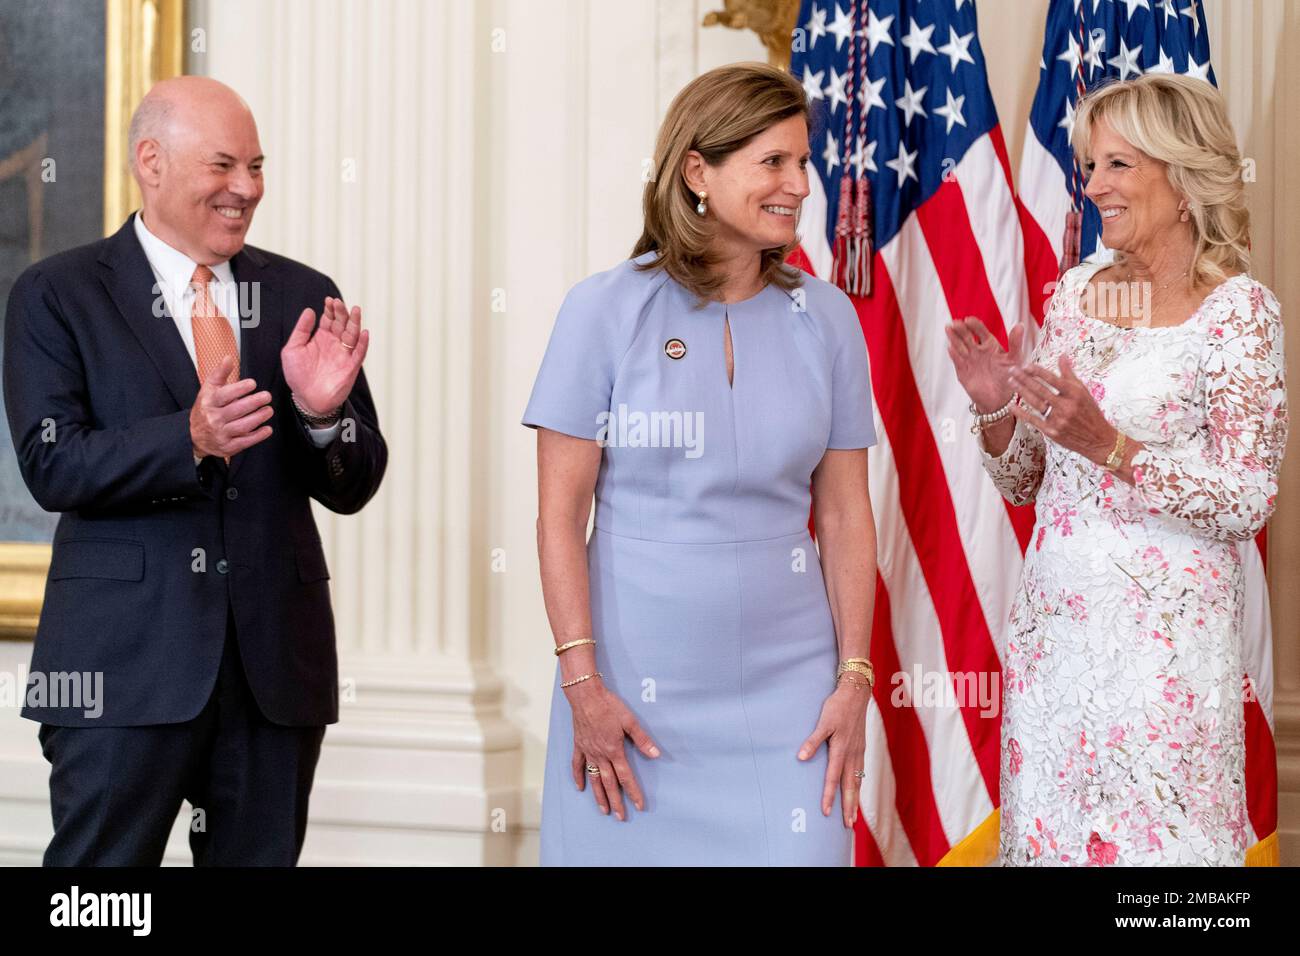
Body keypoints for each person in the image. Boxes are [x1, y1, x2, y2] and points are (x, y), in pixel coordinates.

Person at [3, 76, 387, 865]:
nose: (246, 188)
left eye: (256, 166)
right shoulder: (56, 293)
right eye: (223, 166)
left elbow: (355, 484)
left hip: (272, 675)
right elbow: (52, 463)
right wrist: (189, 437)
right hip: (117, 671)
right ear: (152, 161)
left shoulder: (304, 295)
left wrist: (320, 417)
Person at [522, 62, 879, 866]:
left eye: (803, 161)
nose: (798, 184)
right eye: (773, 162)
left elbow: (849, 514)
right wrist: (582, 686)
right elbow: (558, 516)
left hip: (794, 697)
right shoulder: (602, 309)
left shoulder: (827, 319)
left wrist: (853, 680)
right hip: (628, 697)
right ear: (697, 173)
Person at [946, 73, 1287, 866]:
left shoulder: (1239, 310)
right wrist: (997, 406)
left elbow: (1248, 498)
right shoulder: (1075, 293)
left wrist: (1112, 447)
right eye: (1090, 166)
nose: (1092, 185)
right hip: (1056, 639)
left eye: (1116, 166)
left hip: (1167, 653)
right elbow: (1029, 481)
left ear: (1182, 173)